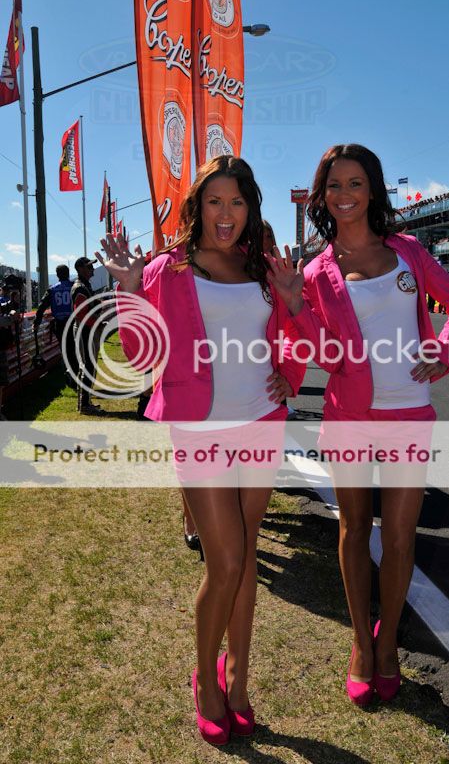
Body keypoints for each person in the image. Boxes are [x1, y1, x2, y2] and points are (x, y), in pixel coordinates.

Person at [96, 156, 305, 745]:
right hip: (198, 428)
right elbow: (141, 355)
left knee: (245, 561)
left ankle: (237, 681)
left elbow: (297, 342)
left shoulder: (263, 269)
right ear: (197, 207)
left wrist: (292, 323)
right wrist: (129, 289)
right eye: (214, 201)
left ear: (250, 208)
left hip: (262, 422)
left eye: (236, 202)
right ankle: (206, 683)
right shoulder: (168, 268)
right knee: (229, 562)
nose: (226, 214)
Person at [266, 143, 449, 705]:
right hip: (350, 418)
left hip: (410, 414)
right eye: (334, 186)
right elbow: (323, 355)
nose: (344, 196)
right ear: (322, 196)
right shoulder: (315, 272)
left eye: (355, 184)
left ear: (373, 189)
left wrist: (446, 352)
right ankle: (363, 642)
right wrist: (294, 303)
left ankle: (388, 650)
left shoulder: (409, 251)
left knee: (402, 536)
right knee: (355, 531)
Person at [71, 257, 104, 414]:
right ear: (80, 269)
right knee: (88, 367)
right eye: (89, 267)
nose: (92, 270)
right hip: (85, 331)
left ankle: (85, 402)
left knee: (88, 366)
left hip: (87, 330)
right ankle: (84, 405)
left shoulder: (85, 286)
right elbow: (81, 314)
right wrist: (97, 322)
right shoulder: (80, 287)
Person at [33, 264, 75, 384]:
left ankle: (68, 369)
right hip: (72, 322)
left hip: (59, 324)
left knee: (64, 348)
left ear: (57, 275)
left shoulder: (52, 289)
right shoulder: (73, 287)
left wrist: (36, 322)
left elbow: (41, 307)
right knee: (74, 347)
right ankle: (74, 371)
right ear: (68, 273)